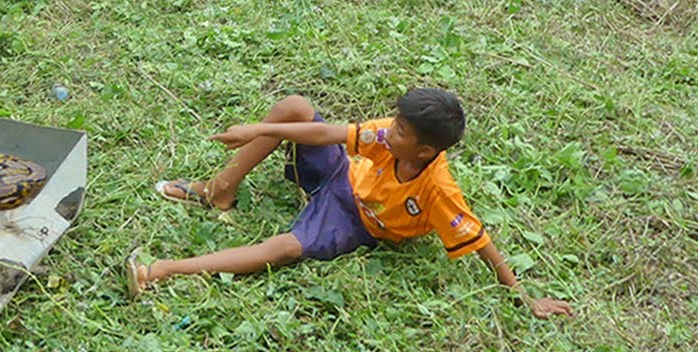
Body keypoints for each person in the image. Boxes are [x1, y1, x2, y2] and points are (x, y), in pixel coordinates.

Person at [132, 89, 575, 320]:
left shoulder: (438, 191)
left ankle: (162, 270)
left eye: (400, 131)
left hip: (357, 221)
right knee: (295, 107)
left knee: (284, 248)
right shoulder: (391, 137)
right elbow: (326, 134)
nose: (389, 131)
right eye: (395, 123)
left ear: (424, 150)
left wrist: (523, 296)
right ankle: (218, 190)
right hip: (342, 175)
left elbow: (480, 240)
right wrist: (258, 129)